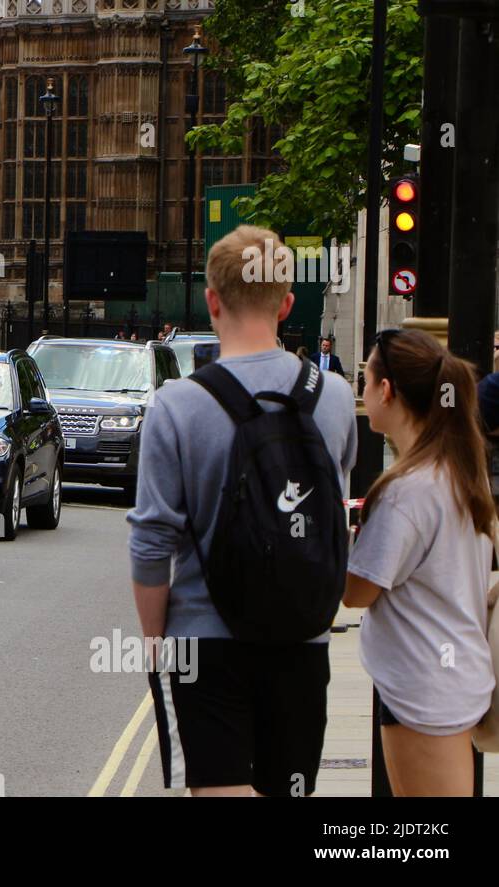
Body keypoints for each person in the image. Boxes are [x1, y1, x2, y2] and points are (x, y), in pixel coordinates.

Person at [128, 224, 357, 797]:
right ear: (285, 302)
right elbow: (334, 517)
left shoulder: (176, 405)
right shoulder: (332, 396)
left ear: (211, 300)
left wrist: (157, 646)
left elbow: (153, 541)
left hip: (204, 642)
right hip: (301, 641)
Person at [343, 329, 495, 796]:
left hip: (424, 688)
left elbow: (356, 592)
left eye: (364, 381)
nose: (362, 393)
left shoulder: (407, 490)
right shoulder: (456, 470)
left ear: (386, 391)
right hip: (448, 675)